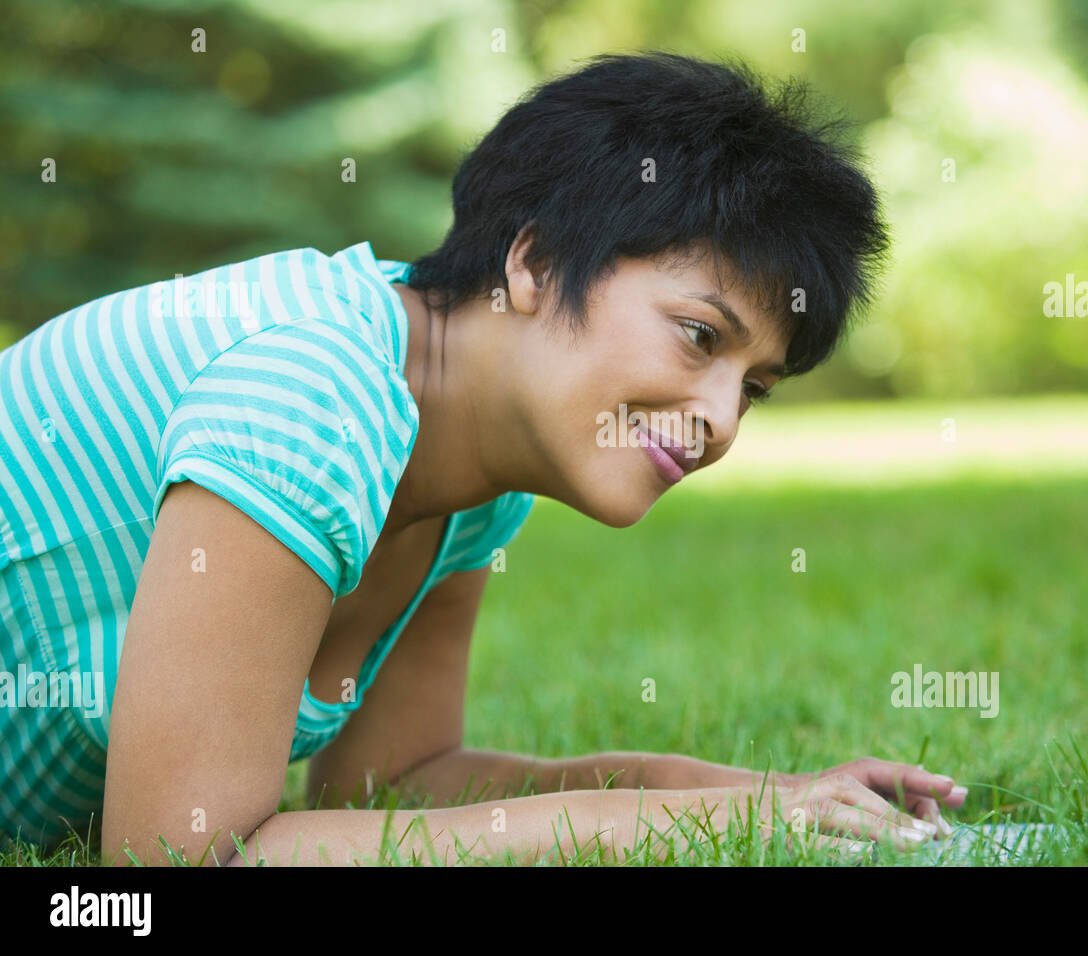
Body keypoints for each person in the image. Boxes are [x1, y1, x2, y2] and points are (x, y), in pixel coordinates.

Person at [0, 50, 965, 866]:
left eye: (754, 387)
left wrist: (763, 795)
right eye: (701, 336)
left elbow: (396, 783)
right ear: (534, 264)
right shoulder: (311, 396)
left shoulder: (472, 474)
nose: (719, 418)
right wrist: (655, 819)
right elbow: (175, 858)